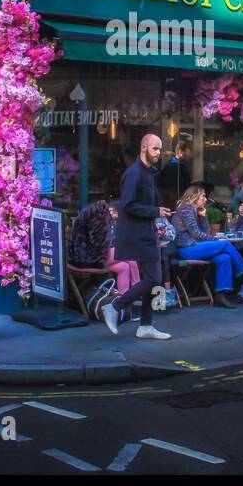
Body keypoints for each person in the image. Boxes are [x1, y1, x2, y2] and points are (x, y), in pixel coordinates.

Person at [102, 134, 173, 340]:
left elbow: (143, 205)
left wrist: (156, 216)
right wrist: (155, 212)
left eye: (160, 149)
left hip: (146, 232)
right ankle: (115, 306)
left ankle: (145, 325)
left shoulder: (147, 173)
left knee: (153, 279)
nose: (158, 153)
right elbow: (128, 205)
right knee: (154, 278)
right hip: (136, 235)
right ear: (143, 148)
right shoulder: (134, 174)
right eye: (155, 149)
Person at [172, 185, 243, 308]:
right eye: (203, 196)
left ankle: (220, 296)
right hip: (186, 249)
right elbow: (196, 234)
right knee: (225, 244)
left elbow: (205, 232)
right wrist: (217, 239)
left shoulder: (195, 210)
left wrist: (203, 217)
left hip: (195, 246)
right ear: (194, 196)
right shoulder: (186, 208)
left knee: (224, 257)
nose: (205, 199)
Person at [68, 199, 140, 298]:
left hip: (89, 257)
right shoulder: (99, 217)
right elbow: (99, 244)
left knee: (124, 267)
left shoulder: (100, 215)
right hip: (84, 259)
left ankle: (123, 299)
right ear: (113, 211)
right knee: (129, 255)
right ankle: (138, 288)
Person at [158, 140, 193, 207]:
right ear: (181, 152)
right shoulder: (179, 166)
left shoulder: (168, 165)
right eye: (188, 152)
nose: (189, 155)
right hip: (176, 200)